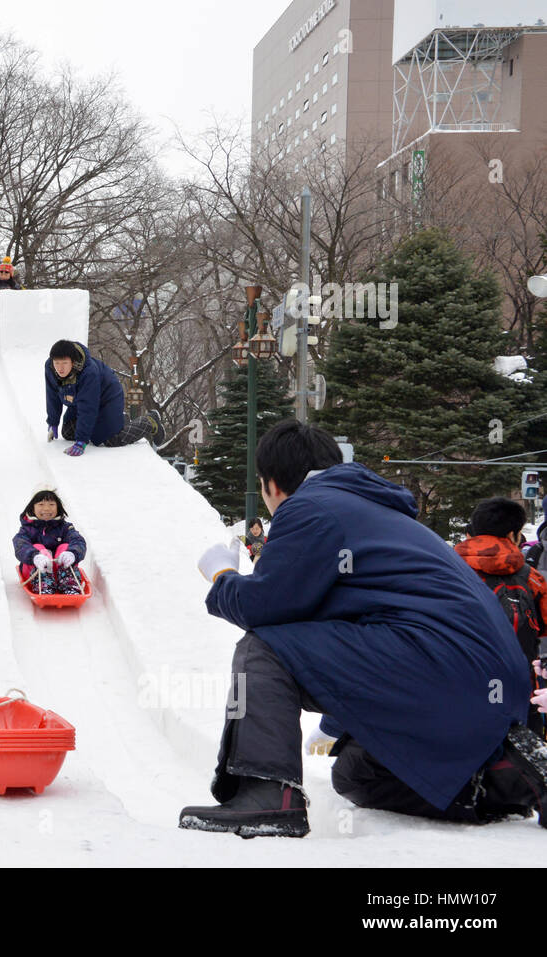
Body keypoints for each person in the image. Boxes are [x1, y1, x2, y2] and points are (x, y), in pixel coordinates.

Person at [181, 420, 547, 838]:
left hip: (436, 663)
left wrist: (222, 575)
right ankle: (494, 779)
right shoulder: (378, 513)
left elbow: (264, 608)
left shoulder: (310, 506)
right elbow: (343, 639)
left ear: (272, 485)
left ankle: (268, 794)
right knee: (356, 773)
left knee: (263, 646)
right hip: (481, 685)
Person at [455, 497, 547, 738]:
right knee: (524, 769)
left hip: (457, 692)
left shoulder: (446, 571)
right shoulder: (533, 578)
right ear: (514, 534)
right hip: (520, 694)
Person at [45, 340, 162, 456]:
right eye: (57, 363)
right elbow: (52, 395)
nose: (60, 368)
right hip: (81, 399)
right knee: (68, 433)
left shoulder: (88, 372)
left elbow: (87, 408)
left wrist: (81, 441)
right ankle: (120, 420)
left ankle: (149, 422)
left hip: (108, 397)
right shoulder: (50, 368)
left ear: (73, 361)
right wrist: (53, 422)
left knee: (110, 440)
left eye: (64, 363)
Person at [13, 488, 87, 596]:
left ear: (58, 507)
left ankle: (69, 582)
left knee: (65, 546)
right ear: (32, 507)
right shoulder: (27, 529)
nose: (46, 508)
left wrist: (72, 553)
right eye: (41, 504)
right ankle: (43, 583)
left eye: (51, 504)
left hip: (60, 572)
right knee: (38, 547)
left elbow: (78, 540)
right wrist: (34, 556)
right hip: (33, 572)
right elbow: (20, 545)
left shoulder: (65, 528)